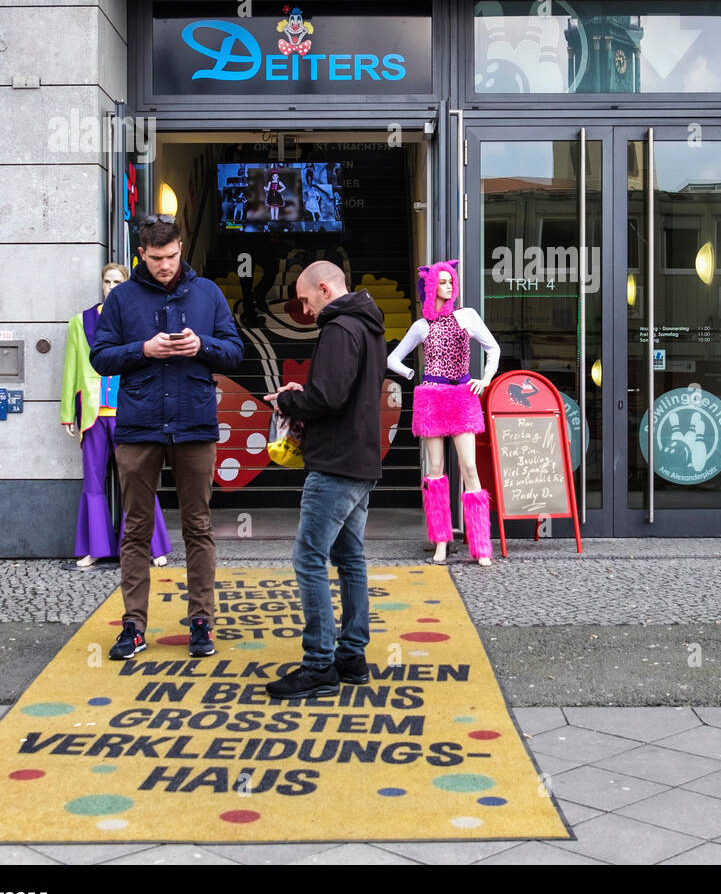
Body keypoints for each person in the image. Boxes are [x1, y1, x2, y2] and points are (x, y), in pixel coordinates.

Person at [90, 217, 243, 662]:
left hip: (194, 423)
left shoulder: (208, 293)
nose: (164, 265)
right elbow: (100, 357)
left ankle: (201, 622)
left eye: (172, 256)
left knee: (198, 526)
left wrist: (203, 346)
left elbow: (235, 351)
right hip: (139, 426)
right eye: (156, 259)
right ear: (142, 253)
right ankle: (133, 626)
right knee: (135, 529)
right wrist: (144, 350)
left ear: (181, 248)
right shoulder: (121, 298)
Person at [263, 261, 387, 699]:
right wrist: (307, 394)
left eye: (304, 299)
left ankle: (319, 665)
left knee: (308, 557)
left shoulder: (338, 328)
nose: (304, 309)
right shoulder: (369, 325)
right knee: (350, 557)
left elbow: (328, 398)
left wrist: (292, 400)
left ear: (323, 289)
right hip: (361, 459)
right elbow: (346, 392)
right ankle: (351, 655)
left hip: (334, 463)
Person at [388, 260, 500, 565]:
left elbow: (493, 349)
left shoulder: (467, 317)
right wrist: (414, 376)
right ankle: (440, 541)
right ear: (430, 286)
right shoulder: (421, 326)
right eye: (442, 282)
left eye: (450, 281)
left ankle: (481, 544)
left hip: (462, 395)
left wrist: (485, 380)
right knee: (435, 471)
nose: (448, 287)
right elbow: (393, 359)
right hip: (433, 398)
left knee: (470, 468)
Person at [60, 262, 170, 568]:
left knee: (138, 481)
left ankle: (150, 545)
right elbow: (70, 370)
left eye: (118, 282)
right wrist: (67, 412)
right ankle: (96, 546)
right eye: (107, 281)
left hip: (130, 410)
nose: (111, 287)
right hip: (93, 413)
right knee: (93, 483)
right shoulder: (79, 323)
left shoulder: (138, 320)